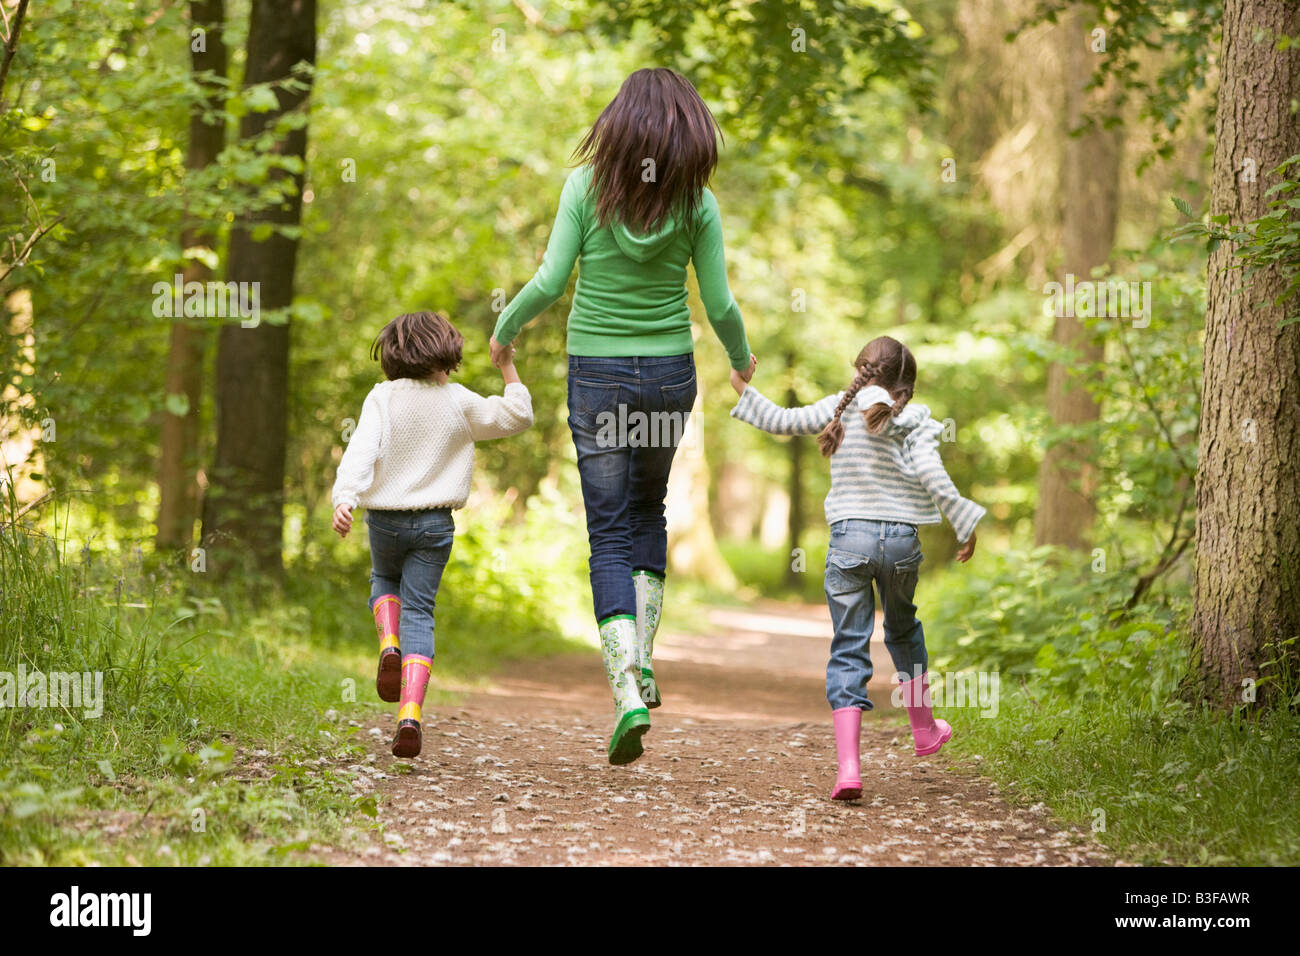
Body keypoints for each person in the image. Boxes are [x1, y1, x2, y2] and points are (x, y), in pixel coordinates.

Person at [489, 67, 757, 765]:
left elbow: (550, 280)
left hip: (598, 377)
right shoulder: (697, 204)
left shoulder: (585, 188)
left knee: (607, 531)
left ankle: (626, 690)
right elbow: (721, 305)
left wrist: (504, 331)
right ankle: (643, 658)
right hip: (669, 377)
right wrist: (741, 358)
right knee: (647, 513)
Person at [729, 335, 984, 800]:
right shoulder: (915, 419)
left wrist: (741, 385)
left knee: (849, 645)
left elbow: (781, 420)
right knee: (903, 630)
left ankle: (849, 770)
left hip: (849, 541)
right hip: (901, 542)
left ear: (860, 370)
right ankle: (924, 729)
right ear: (907, 384)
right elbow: (933, 475)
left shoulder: (839, 407)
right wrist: (964, 522)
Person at [331, 310, 533, 758]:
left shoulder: (382, 397)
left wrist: (345, 498)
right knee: (420, 612)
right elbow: (519, 416)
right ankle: (409, 715)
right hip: (435, 525)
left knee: (384, 580)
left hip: (385, 521)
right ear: (444, 358)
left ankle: (389, 643)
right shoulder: (458, 400)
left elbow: (360, 452)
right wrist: (506, 365)